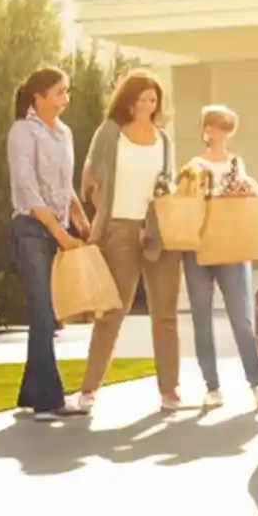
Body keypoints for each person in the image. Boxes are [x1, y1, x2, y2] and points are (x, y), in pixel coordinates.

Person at [77, 69, 184, 413]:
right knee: (112, 311)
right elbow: (89, 177)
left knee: (165, 314)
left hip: (158, 230)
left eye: (152, 100)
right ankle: (88, 390)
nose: (147, 106)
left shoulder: (164, 140)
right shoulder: (110, 132)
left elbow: (168, 184)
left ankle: (169, 391)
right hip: (119, 229)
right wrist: (100, 209)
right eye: (141, 99)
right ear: (128, 101)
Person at [7, 67, 92, 421]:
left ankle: (32, 393)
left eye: (66, 92)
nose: (65, 99)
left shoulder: (64, 133)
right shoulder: (22, 132)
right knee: (43, 313)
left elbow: (63, 184)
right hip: (31, 229)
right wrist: (60, 233)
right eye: (59, 92)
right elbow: (27, 187)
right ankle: (48, 402)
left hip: (57, 228)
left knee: (46, 314)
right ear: (38, 96)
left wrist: (80, 219)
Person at [180, 104, 258, 411]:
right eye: (211, 125)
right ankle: (212, 386)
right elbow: (186, 202)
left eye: (222, 126)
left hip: (232, 246)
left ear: (229, 131)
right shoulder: (194, 166)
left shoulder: (236, 164)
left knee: (241, 317)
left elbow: (252, 192)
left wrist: (244, 192)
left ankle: (257, 383)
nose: (215, 132)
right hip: (199, 246)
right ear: (204, 129)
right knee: (202, 316)